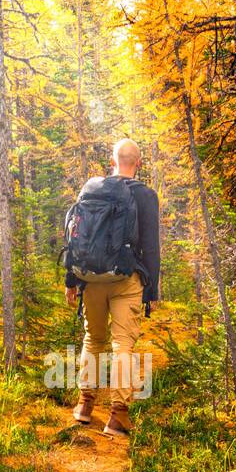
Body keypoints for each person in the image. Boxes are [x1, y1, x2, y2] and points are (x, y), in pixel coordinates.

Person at [64, 138, 161, 436]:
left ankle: (84, 406)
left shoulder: (92, 190)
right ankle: (117, 416)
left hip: (91, 278)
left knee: (93, 338)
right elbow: (151, 247)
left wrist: (72, 281)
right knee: (122, 345)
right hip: (126, 279)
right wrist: (152, 291)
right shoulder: (145, 195)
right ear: (139, 163)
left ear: (112, 161)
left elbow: (76, 238)